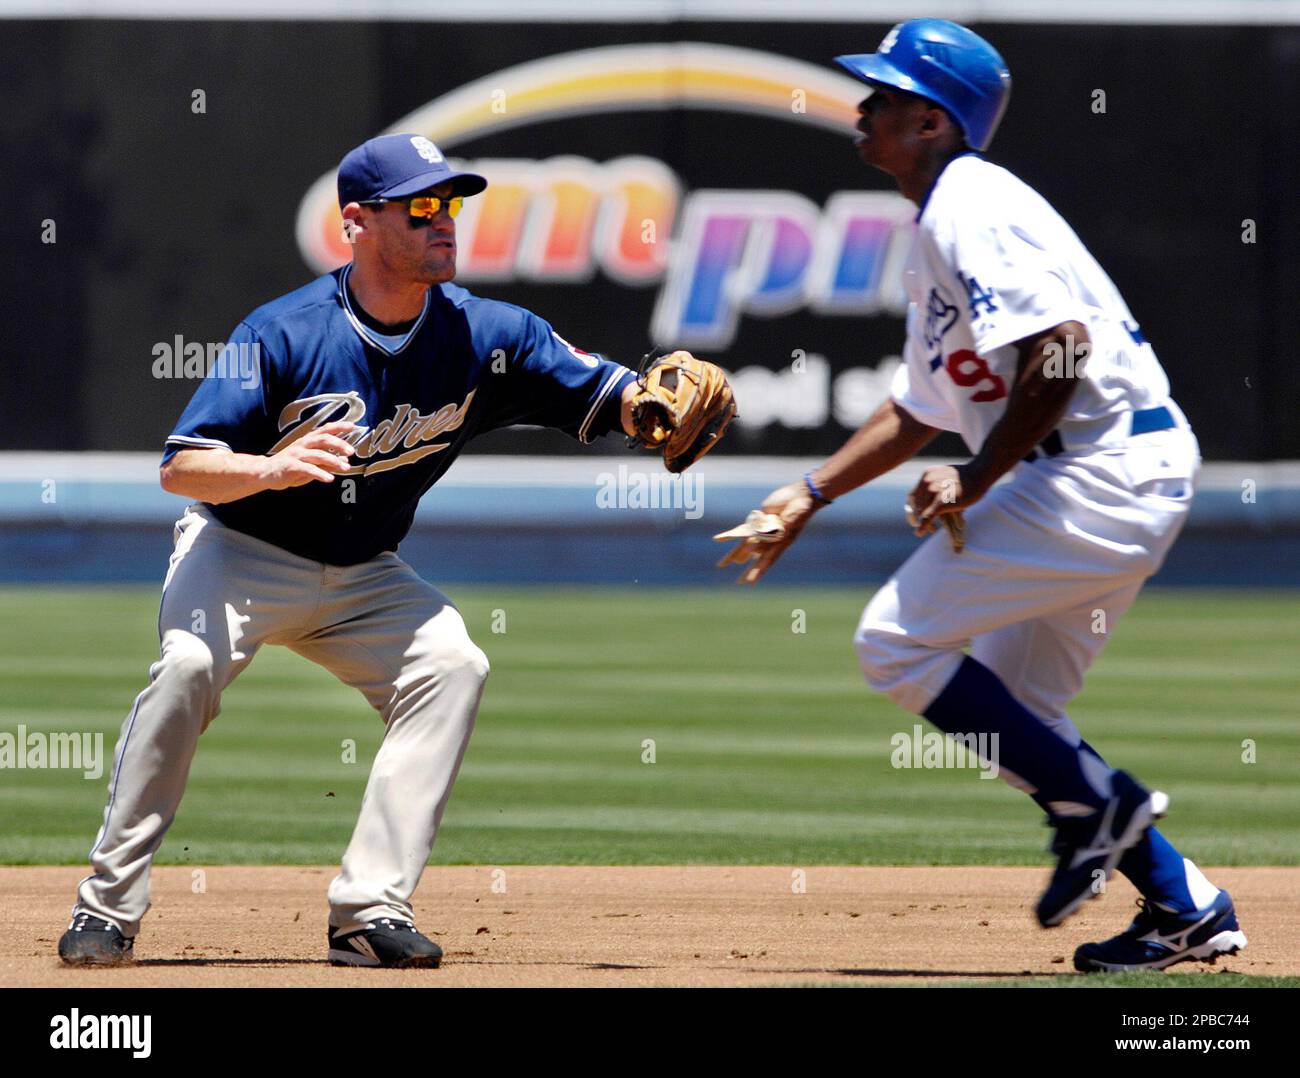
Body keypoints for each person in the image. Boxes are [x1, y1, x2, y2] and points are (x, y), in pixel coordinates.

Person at [59, 133, 671, 969]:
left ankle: (367, 910)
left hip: (364, 576)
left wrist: (653, 411)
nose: (443, 221)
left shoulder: (487, 333)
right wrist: (270, 468)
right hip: (241, 552)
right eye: (421, 206)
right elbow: (180, 466)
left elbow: (610, 393)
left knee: (453, 663)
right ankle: (107, 909)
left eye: (451, 203)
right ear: (358, 222)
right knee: (185, 670)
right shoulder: (284, 332)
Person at [727, 20, 1247, 973]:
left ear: (931, 121)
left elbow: (1060, 348)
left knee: (892, 641)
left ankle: (1102, 806)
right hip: (1106, 468)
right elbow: (919, 409)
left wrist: (978, 475)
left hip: (1096, 469)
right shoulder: (942, 216)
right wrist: (807, 493)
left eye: (882, 96)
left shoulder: (971, 204)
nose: (863, 108)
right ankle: (1186, 907)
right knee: (1011, 706)